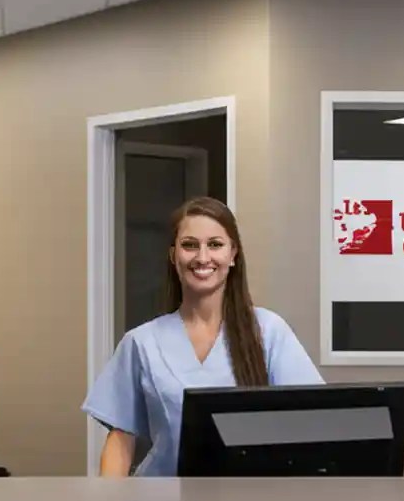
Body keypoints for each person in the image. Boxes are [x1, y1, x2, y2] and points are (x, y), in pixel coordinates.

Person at [82, 196, 323, 477]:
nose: (202, 257)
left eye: (215, 245)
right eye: (190, 245)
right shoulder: (142, 342)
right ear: (174, 256)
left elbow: (311, 421)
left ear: (233, 254)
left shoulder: (268, 332)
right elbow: (121, 440)